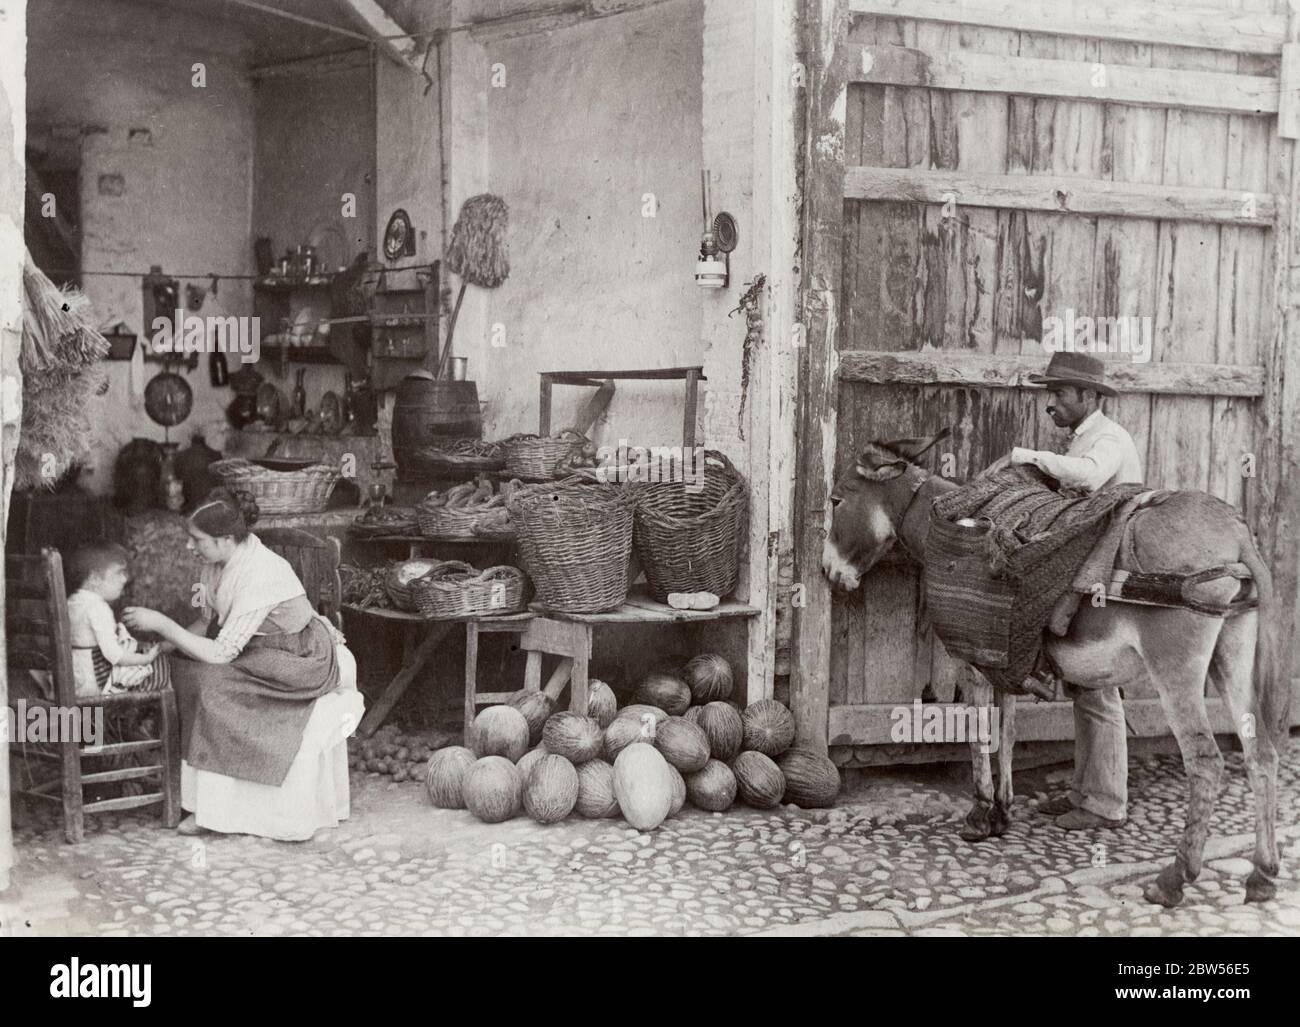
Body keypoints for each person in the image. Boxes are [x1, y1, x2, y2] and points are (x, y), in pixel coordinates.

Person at [122, 487, 362, 841]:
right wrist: (164, 645)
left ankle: (216, 813)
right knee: (184, 673)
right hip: (256, 650)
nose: (189, 547)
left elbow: (222, 654)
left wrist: (161, 623)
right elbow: (207, 622)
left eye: (196, 539)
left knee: (212, 685)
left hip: (298, 657)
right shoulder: (212, 565)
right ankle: (199, 800)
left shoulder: (260, 573)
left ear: (226, 539)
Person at [1005, 351, 1143, 831]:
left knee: (1098, 688)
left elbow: (1086, 476)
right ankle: (1087, 793)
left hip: (1107, 572)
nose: (1052, 404)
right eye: (1050, 394)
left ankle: (1105, 804)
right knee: (1086, 690)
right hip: (1089, 564)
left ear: (1088, 396)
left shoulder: (1108, 439)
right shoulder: (1087, 436)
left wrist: (1028, 457)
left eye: (1060, 394)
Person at [64, 542, 169, 697]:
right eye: (118, 573)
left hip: (69, 679)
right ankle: (130, 715)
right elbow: (115, 656)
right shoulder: (98, 607)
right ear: (94, 578)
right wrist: (146, 658)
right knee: (159, 665)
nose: (124, 579)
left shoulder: (70, 602)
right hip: (91, 684)